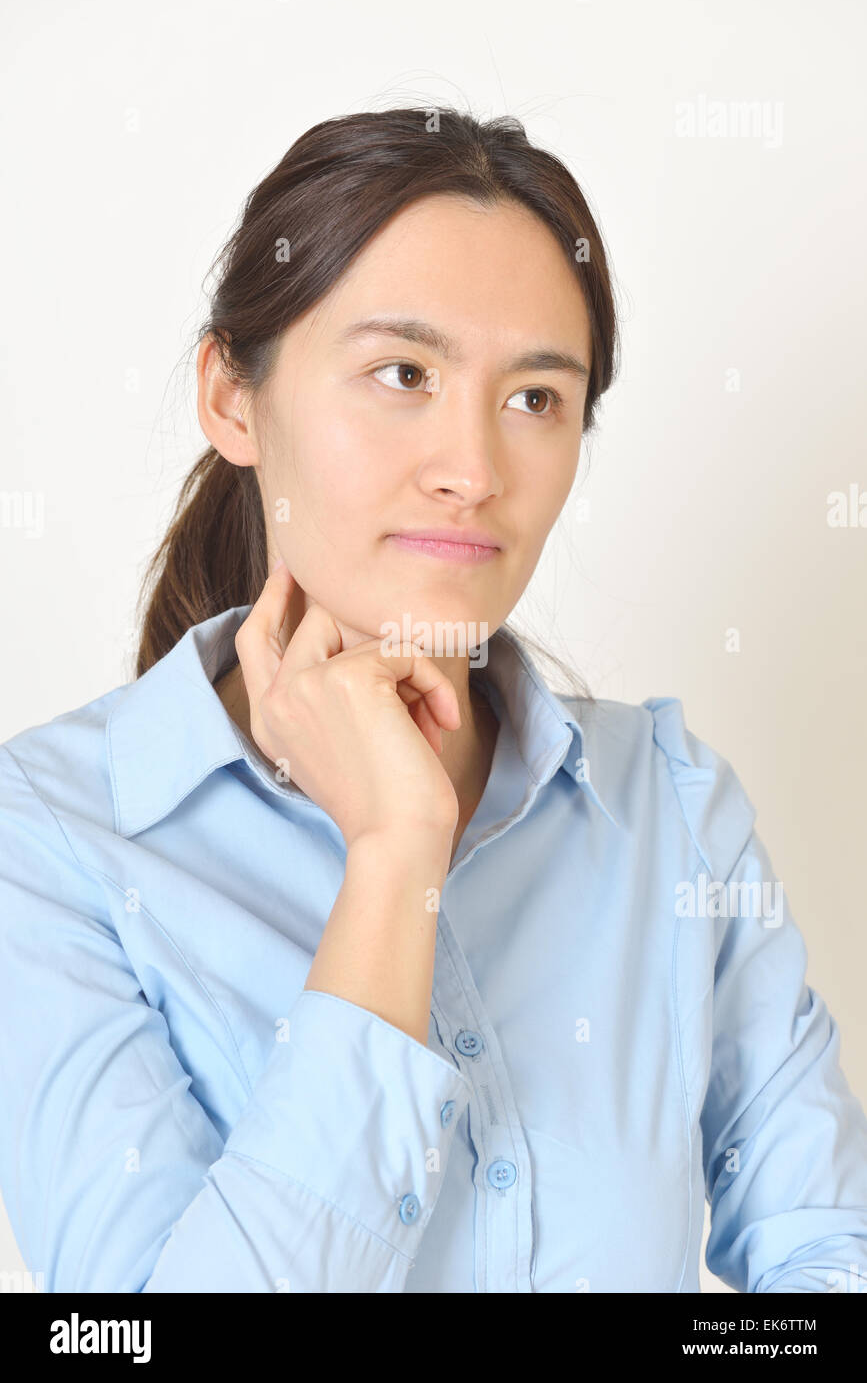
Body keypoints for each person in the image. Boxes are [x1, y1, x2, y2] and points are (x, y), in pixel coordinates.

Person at [1, 106, 866, 1294]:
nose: (473, 468)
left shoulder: (670, 807)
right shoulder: (51, 839)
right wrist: (395, 857)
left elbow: (828, 1261)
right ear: (232, 400)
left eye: (535, 399)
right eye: (403, 373)